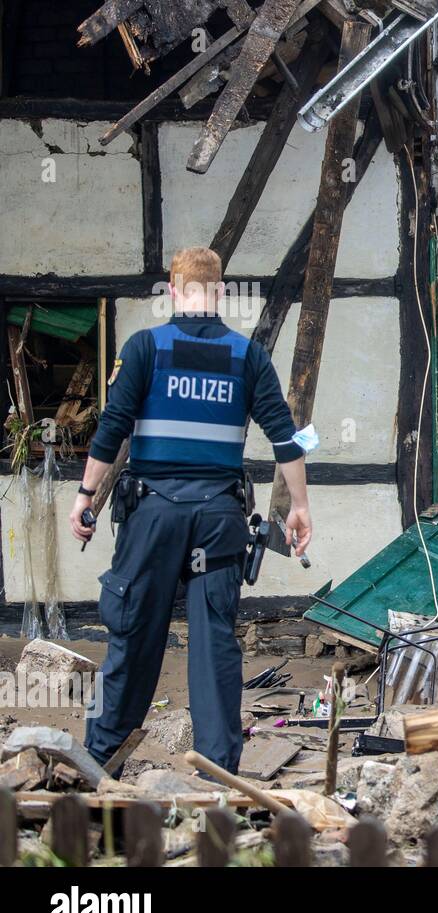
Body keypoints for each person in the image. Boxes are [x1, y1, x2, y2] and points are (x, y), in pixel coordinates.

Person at [69, 247, 312, 775]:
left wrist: (85, 498)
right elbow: (285, 439)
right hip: (218, 522)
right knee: (214, 642)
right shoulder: (246, 357)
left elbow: (111, 431)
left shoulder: (144, 349)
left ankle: (99, 758)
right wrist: (299, 507)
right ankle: (218, 769)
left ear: (174, 292)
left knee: (134, 632)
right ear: (220, 292)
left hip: (152, 515)